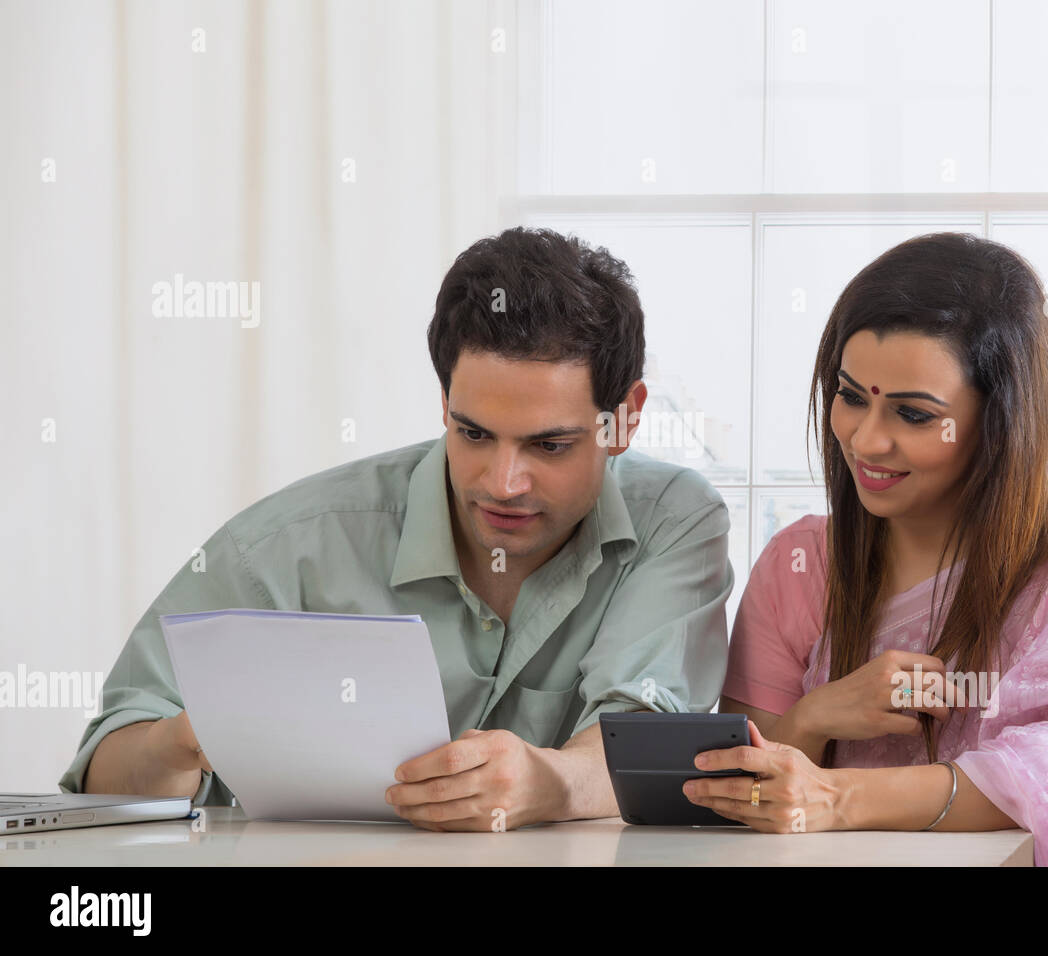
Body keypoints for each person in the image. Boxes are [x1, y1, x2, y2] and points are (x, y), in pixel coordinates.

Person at [59, 226, 733, 831]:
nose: (503, 483)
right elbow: (103, 779)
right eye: (472, 433)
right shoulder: (287, 546)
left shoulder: (674, 521)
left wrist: (549, 784)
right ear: (444, 401)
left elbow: (642, 742)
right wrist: (184, 740)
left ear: (627, 415)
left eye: (548, 445)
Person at [691, 232, 1048, 866]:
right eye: (851, 398)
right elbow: (733, 788)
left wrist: (843, 795)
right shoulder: (799, 565)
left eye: (913, 415)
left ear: (1000, 421)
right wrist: (820, 714)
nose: (867, 441)